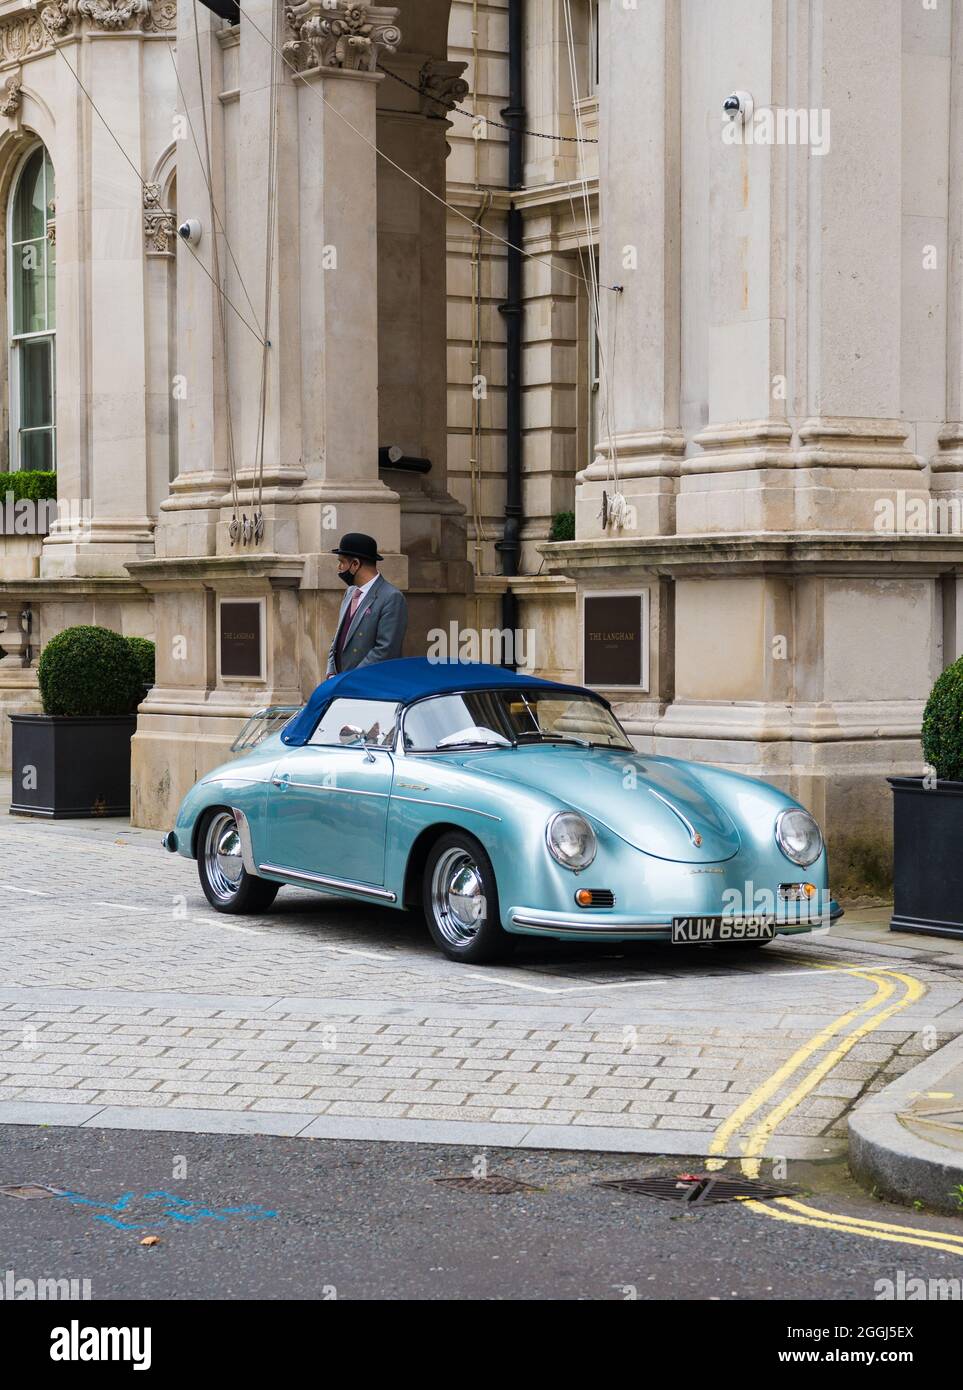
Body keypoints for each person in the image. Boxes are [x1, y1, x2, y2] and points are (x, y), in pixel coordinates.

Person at [325, 533, 407, 677]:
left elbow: (385, 650)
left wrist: (350, 678)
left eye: (342, 562)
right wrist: (331, 672)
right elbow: (338, 638)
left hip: (370, 686)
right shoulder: (350, 592)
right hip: (341, 684)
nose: (339, 567)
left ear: (356, 564)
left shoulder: (391, 597)